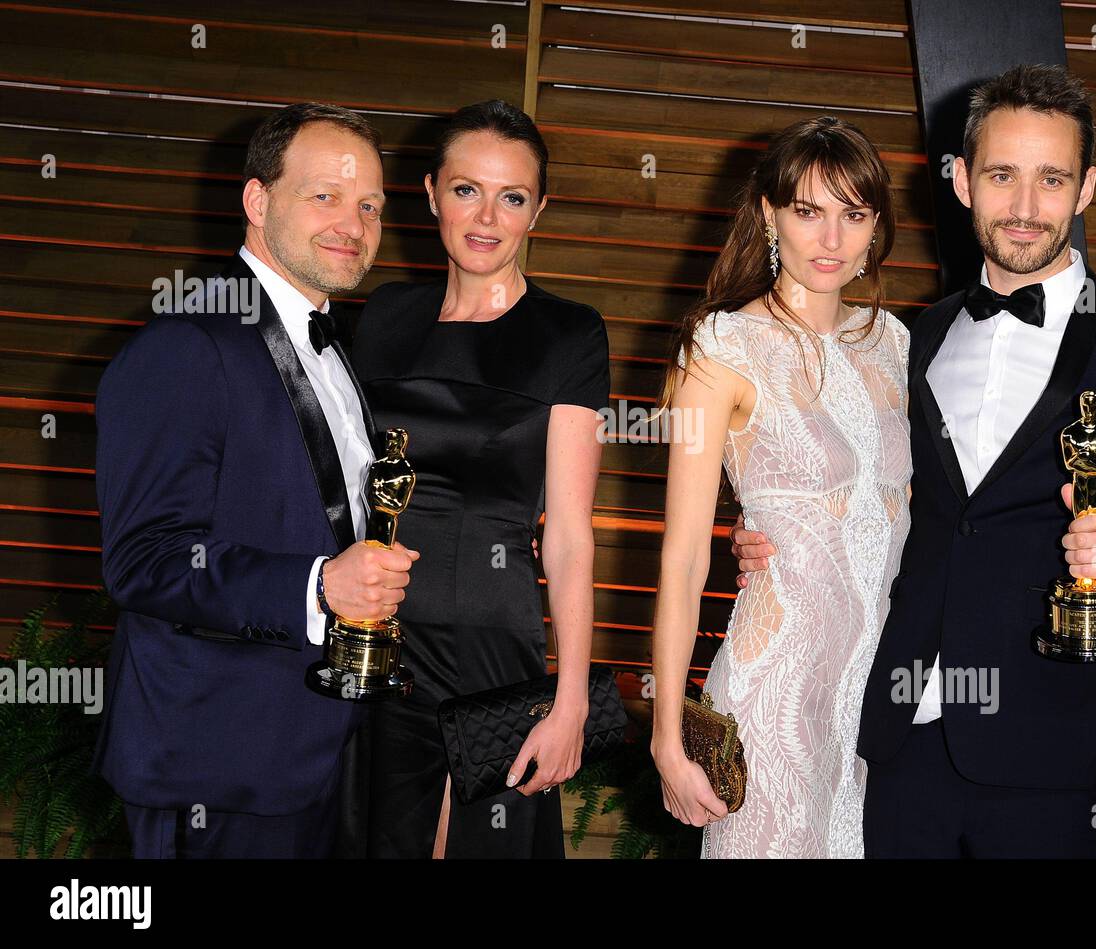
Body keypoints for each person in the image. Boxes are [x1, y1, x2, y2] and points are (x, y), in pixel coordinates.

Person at [729, 65, 1096, 858]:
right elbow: (865, 482)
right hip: (900, 742)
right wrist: (767, 535)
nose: (1025, 208)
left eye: (1051, 179)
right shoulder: (911, 336)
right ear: (961, 180)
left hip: (1059, 759)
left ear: (1087, 188)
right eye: (1002, 176)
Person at [93, 103, 418, 858]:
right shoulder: (186, 343)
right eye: (325, 196)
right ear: (257, 200)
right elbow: (144, 561)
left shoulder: (337, 349)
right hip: (212, 765)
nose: (354, 222)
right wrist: (316, 588)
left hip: (319, 755)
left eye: (370, 204)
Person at [347, 100, 608, 859]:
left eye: (513, 196)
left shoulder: (569, 333)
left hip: (489, 650)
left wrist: (570, 706)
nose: (487, 215)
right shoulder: (385, 316)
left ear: (539, 209)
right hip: (376, 639)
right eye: (467, 190)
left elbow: (566, 536)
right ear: (429, 193)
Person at [650, 116, 910, 858]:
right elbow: (683, 556)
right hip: (777, 691)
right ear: (768, 213)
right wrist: (668, 736)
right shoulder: (719, 347)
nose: (831, 238)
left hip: (875, 697)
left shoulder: (893, 341)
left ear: (875, 226)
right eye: (808, 211)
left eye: (853, 214)